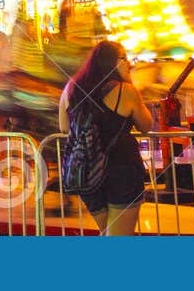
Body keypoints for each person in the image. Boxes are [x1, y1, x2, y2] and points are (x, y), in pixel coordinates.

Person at [59, 40, 154, 236]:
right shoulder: (125, 90)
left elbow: (64, 127)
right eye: (124, 58)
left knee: (108, 232)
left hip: (87, 171)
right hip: (122, 169)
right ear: (111, 62)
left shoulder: (71, 88)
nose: (129, 63)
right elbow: (146, 125)